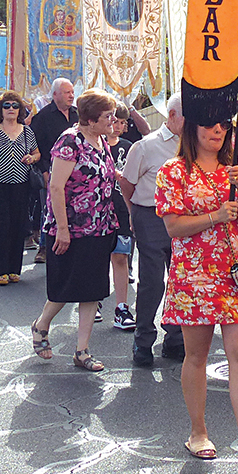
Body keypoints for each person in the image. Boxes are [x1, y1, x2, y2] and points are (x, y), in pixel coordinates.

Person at [155, 114, 238, 463]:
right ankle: (198, 432)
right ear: (192, 127)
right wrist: (215, 216)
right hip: (194, 276)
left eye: (224, 124)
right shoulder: (174, 170)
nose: (217, 131)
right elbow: (173, 227)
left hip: (237, 274)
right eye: (208, 123)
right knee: (196, 355)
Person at [30, 90, 120, 372]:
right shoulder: (70, 141)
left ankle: (82, 351)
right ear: (91, 119)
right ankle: (42, 324)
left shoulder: (101, 140)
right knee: (66, 286)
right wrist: (63, 230)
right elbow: (56, 187)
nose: (114, 120)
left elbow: (105, 177)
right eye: (108, 116)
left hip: (100, 225)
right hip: (72, 227)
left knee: (92, 289)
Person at [120, 93, 186, 366]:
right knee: (151, 281)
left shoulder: (196, 145)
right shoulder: (146, 146)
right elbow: (127, 183)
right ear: (172, 116)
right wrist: (134, 214)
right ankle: (143, 339)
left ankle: (175, 337)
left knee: (181, 280)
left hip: (184, 217)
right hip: (151, 215)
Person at [0, 91, 40, 284]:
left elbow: (37, 153)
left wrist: (32, 157)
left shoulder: (27, 131)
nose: (11, 109)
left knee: (18, 225)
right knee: (0, 225)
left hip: (21, 186)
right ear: (0, 110)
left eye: (15, 106)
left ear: (20, 110)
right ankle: (0, 270)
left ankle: (14, 269)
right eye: (7, 106)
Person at [31, 78, 78, 262]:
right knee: (48, 210)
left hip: (76, 174)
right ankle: (44, 247)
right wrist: (43, 171)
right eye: (67, 92)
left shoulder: (77, 115)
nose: (71, 96)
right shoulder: (42, 117)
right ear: (55, 94)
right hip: (51, 172)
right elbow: (36, 147)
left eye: (72, 92)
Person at [106, 105, 136, 331]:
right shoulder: (93, 146)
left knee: (121, 257)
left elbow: (130, 185)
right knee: (97, 258)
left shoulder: (128, 148)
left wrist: (132, 212)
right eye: (113, 120)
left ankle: (122, 307)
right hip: (97, 212)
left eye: (121, 122)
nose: (116, 125)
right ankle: (94, 300)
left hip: (122, 211)